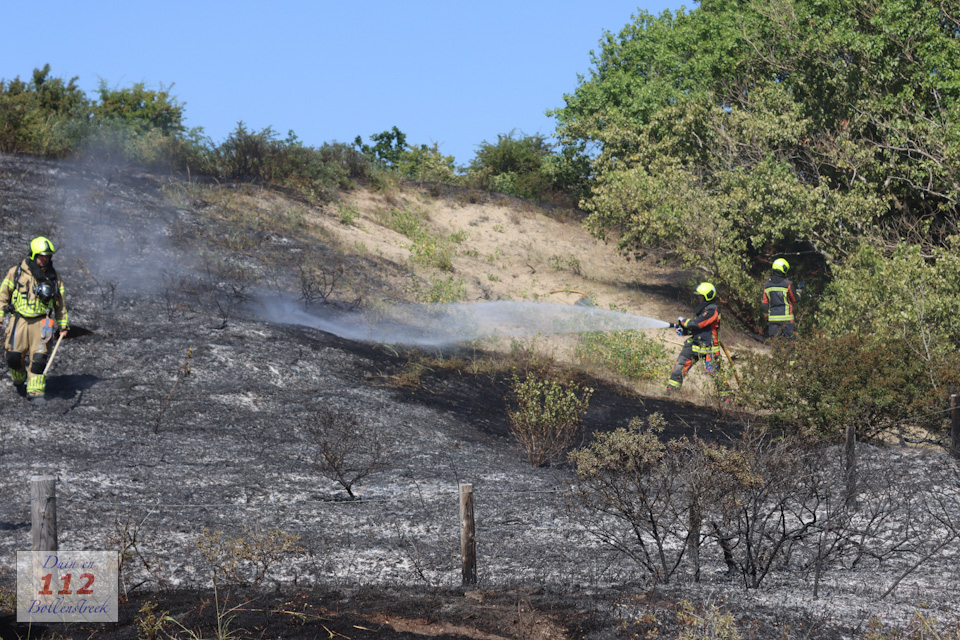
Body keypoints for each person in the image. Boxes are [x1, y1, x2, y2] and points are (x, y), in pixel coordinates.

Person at [0, 236, 69, 401]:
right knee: (13, 356)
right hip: (19, 320)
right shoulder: (16, 272)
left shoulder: (54, 277)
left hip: (43, 322)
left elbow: (60, 303)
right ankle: (19, 377)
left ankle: (35, 392)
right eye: (41, 256)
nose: (44, 259)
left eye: (47, 256)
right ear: (33, 254)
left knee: (39, 358)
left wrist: (63, 325)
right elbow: (3, 295)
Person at [665, 282, 722, 393]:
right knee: (680, 364)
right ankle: (672, 389)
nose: (698, 298)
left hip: (709, 348)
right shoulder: (704, 309)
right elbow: (698, 329)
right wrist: (683, 331)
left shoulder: (712, 310)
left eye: (700, 296)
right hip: (695, 345)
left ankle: (725, 397)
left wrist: (683, 321)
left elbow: (697, 324)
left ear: (707, 296)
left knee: (715, 373)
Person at [761, 258, 798, 340]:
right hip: (787, 321)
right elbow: (795, 299)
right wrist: (799, 291)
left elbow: (764, 304)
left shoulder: (766, 285)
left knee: (775, 344)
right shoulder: (788, 284)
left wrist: (767, 318)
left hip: (773, 321)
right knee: (790, 344)